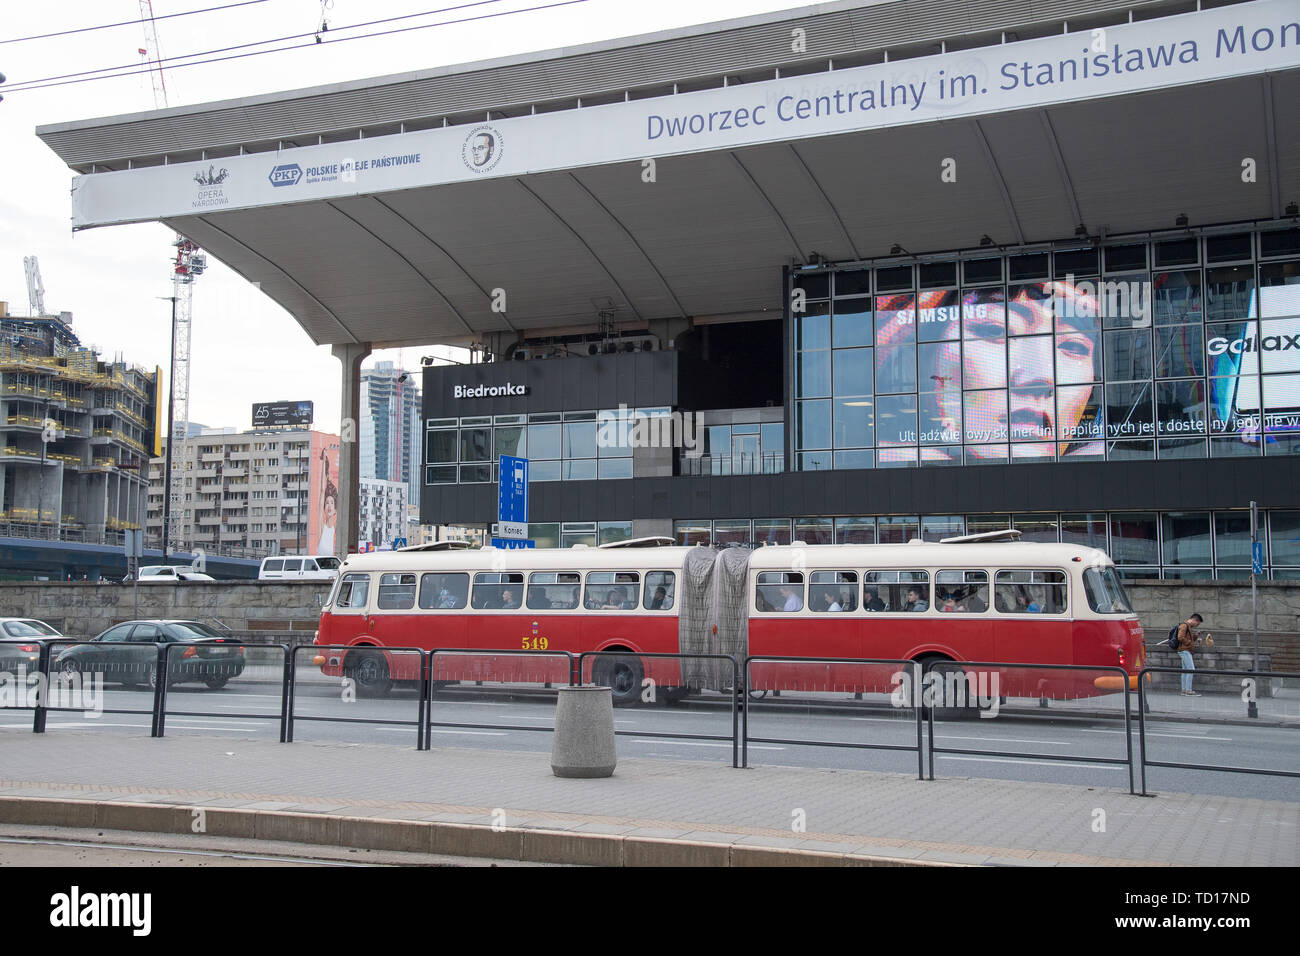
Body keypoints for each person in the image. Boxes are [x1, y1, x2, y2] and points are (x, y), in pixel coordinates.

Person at [1175, 612, 1212, 697]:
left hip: (1183, 650)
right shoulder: (1184, 626)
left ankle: (1184, 690)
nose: (1197, 625)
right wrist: (1189, 643)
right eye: (1197, 624)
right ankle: (1188, 690)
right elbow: (1180, 637)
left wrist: (1195, 635)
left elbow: (1187, 638)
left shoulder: (1188, 627)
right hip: (1185, 650)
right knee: (1191, 669)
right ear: (1195, 620)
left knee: (1185, 670)